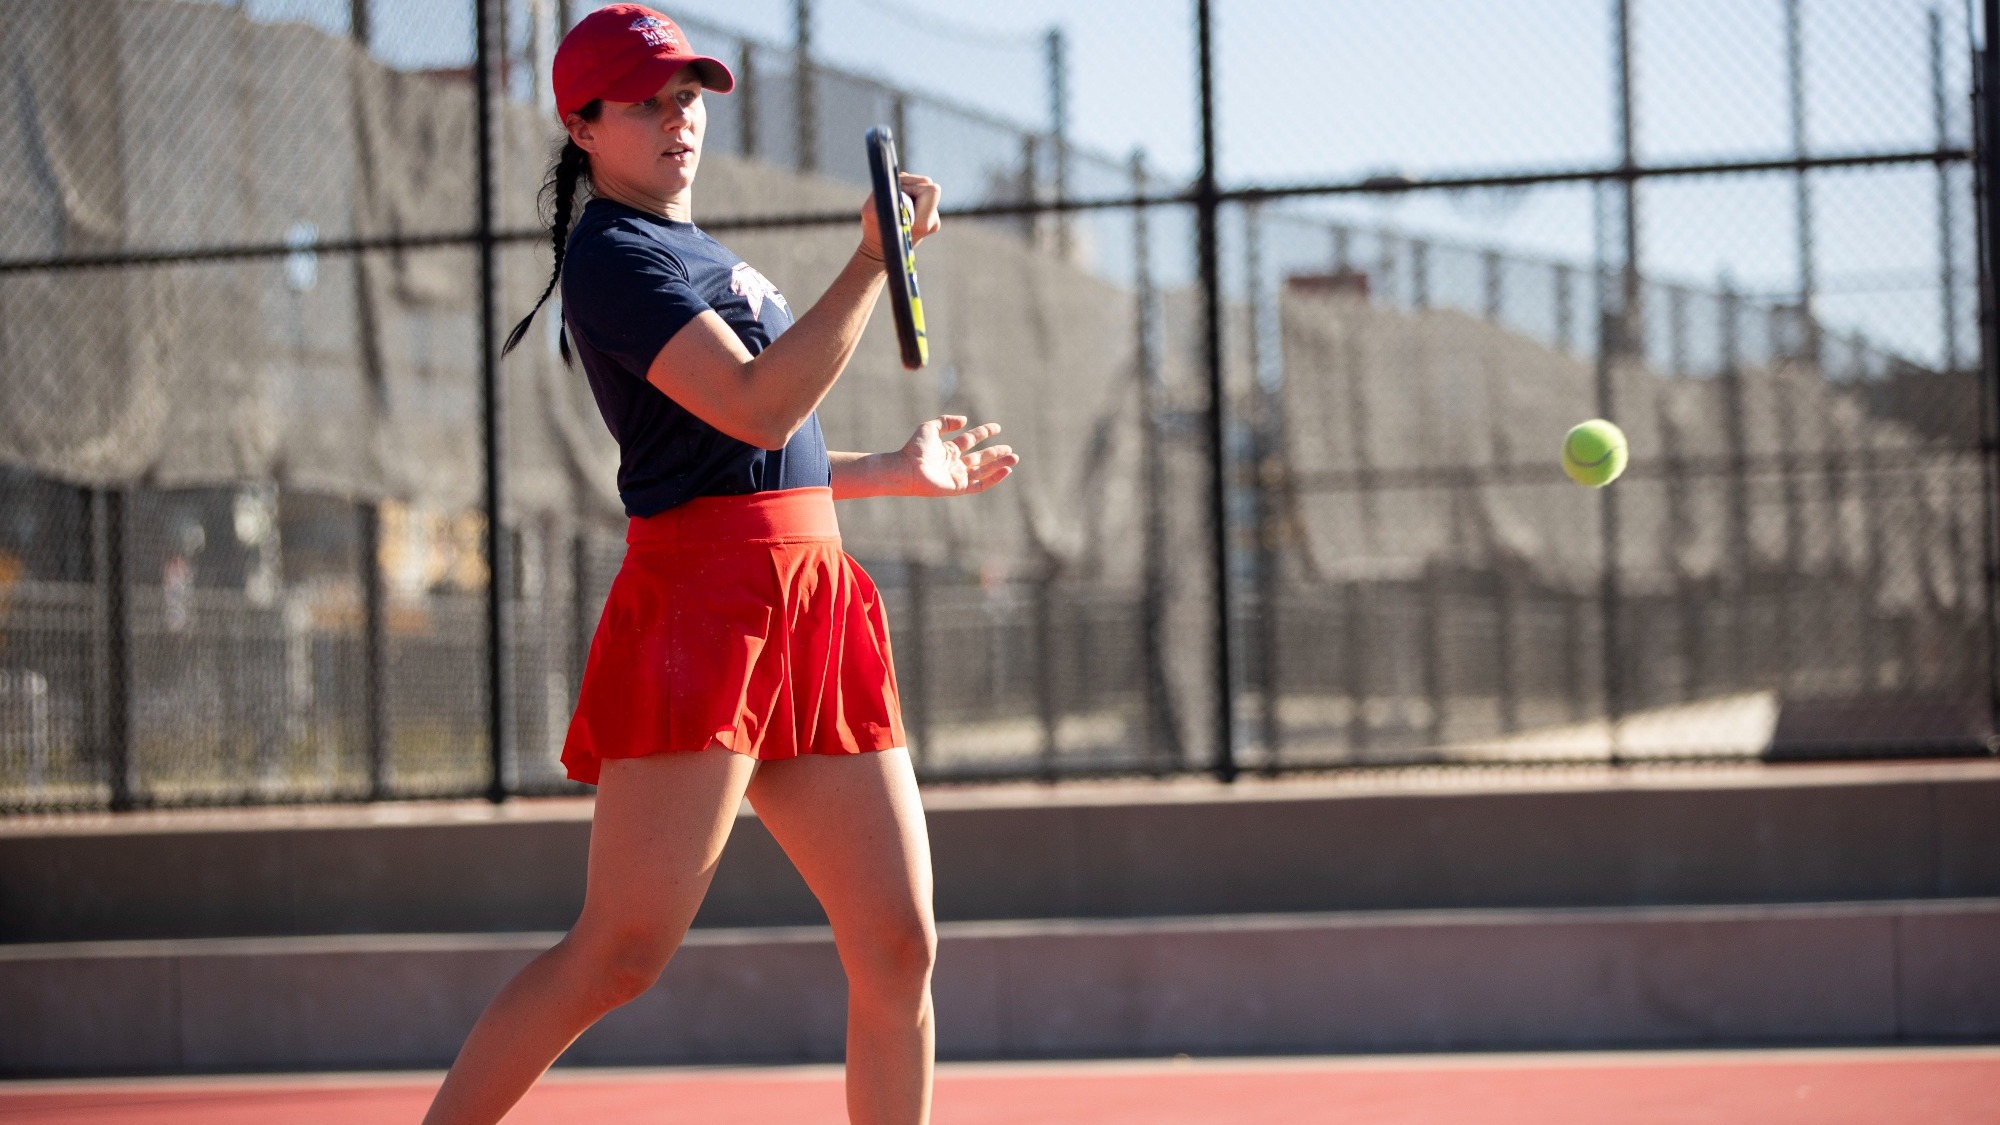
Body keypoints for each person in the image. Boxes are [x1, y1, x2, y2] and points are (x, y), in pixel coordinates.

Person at [421, 6, 1016, 1123]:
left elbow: (758, 458)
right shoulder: (613, 256)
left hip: (810, 598)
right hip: (706, 609)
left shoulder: (704, 254)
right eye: (646, 101)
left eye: (688, 97)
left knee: (898, 945)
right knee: (619, 953)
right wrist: (869, 262)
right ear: (582, 125)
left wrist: (894, 469)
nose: (677, 118)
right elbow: (756, 406)